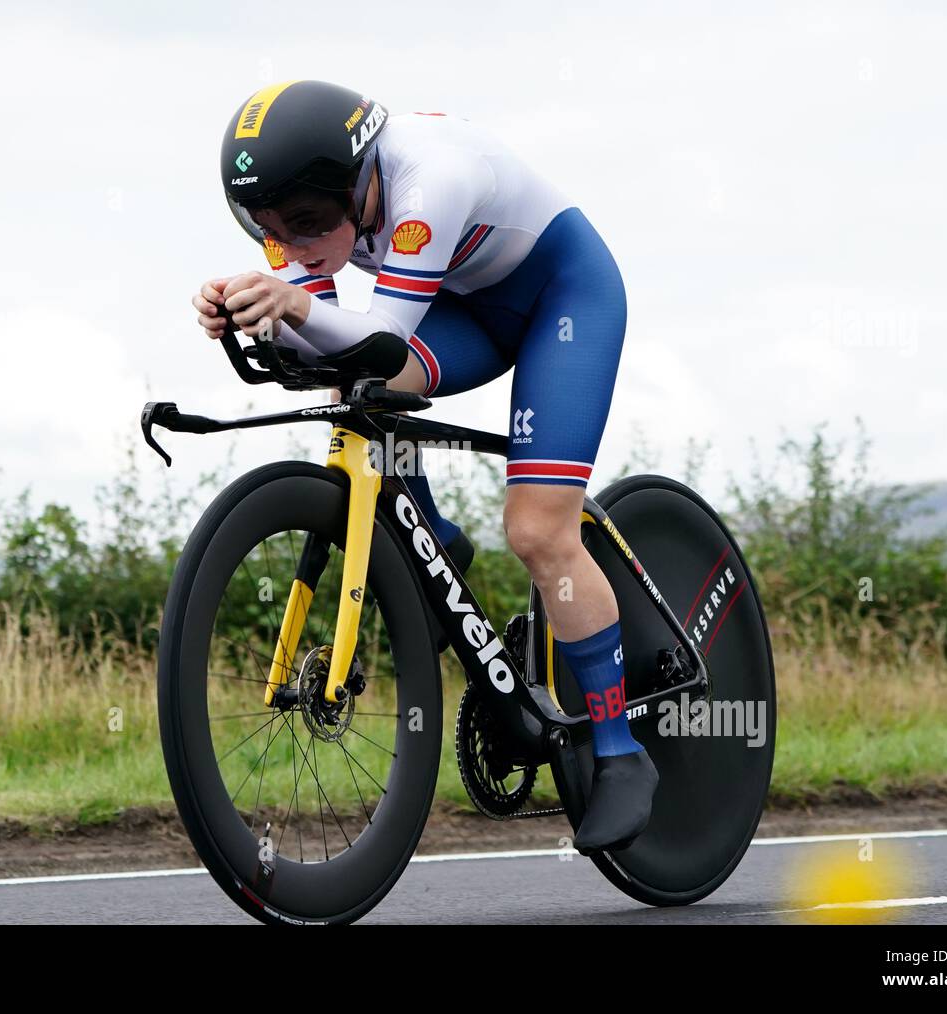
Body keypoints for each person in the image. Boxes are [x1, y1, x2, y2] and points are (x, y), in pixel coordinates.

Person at [193, 80, 657, 854]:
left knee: (540, 531)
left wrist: (294, 306)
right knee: (349, 389)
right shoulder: (292, 210)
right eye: (265, 228)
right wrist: (248, 313)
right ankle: (434, 537)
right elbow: (322, 344)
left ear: (360, 181)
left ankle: (619, 751)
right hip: (466, 303)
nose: (289, 244)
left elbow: (379, 339)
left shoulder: (427, 182)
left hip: (563, 298)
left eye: (305, 225)